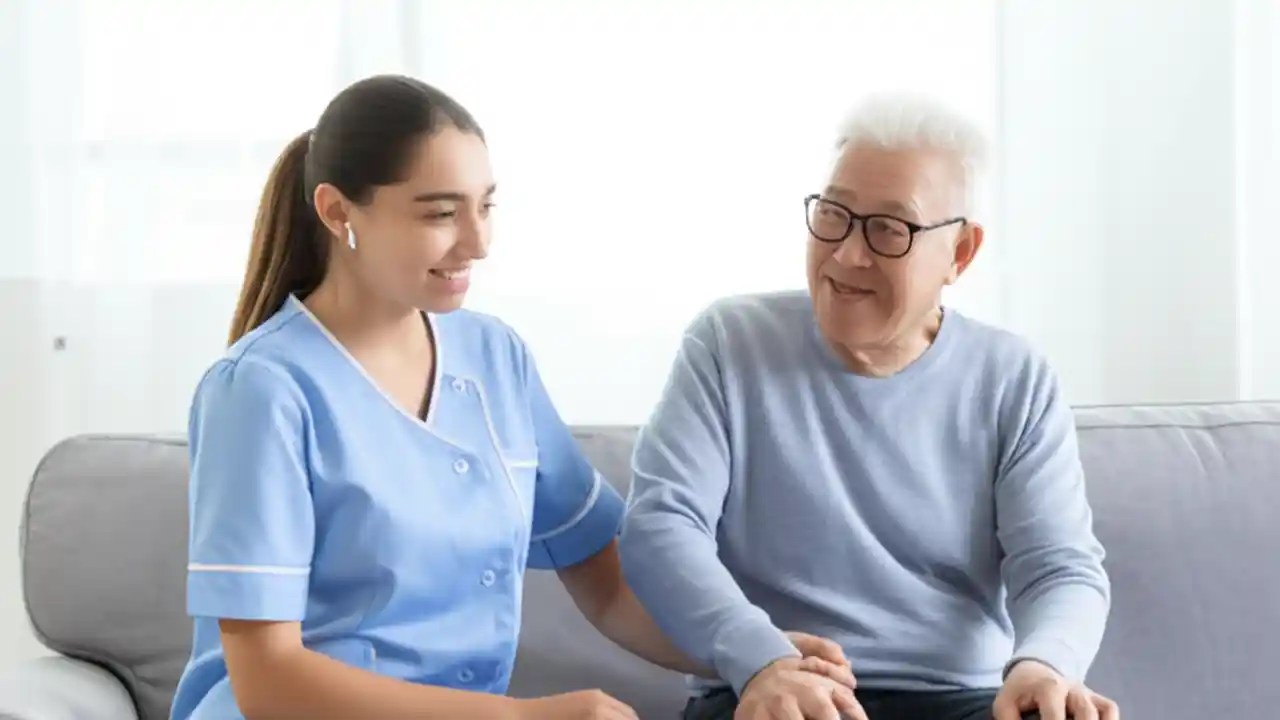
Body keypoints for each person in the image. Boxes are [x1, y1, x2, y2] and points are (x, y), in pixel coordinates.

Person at [168, 74, 853, 720]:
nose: (478, 243)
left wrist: (752, 653)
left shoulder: (495, 359)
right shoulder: (260, 391)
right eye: (441, 213)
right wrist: (521, 716)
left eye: (486, 206)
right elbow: (267, 677)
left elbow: (608, 582)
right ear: (337, 212)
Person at [620, 94, 1122, 720]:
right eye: (834, 215)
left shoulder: (1012, 378)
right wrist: (758, 657)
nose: (847, 255)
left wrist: (1045, 666)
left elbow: (1059, 567)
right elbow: (661, 527)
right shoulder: (729, 343)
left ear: (960, 253)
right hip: (773, 684)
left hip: (959, 700)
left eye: (889, 229)